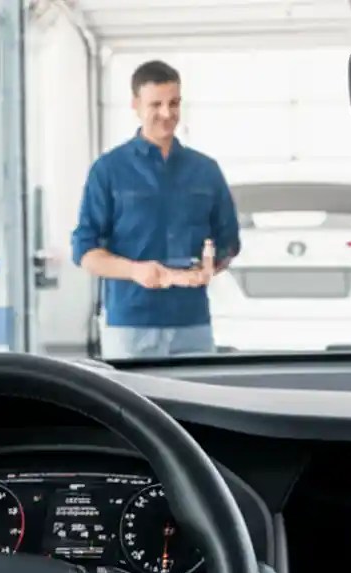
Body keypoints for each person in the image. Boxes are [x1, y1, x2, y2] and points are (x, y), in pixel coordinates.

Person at [71, 60, 240, 359]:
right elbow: (85, 252)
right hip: (130, 327)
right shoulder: (108, 170)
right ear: (135, 104)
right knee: (127, 405)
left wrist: (209, 267)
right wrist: (135, 271)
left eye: (174, 103)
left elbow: (229, 242)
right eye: (156, 104)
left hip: (192, 325)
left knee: (195, 404)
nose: (167, 114)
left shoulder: (206, 171)